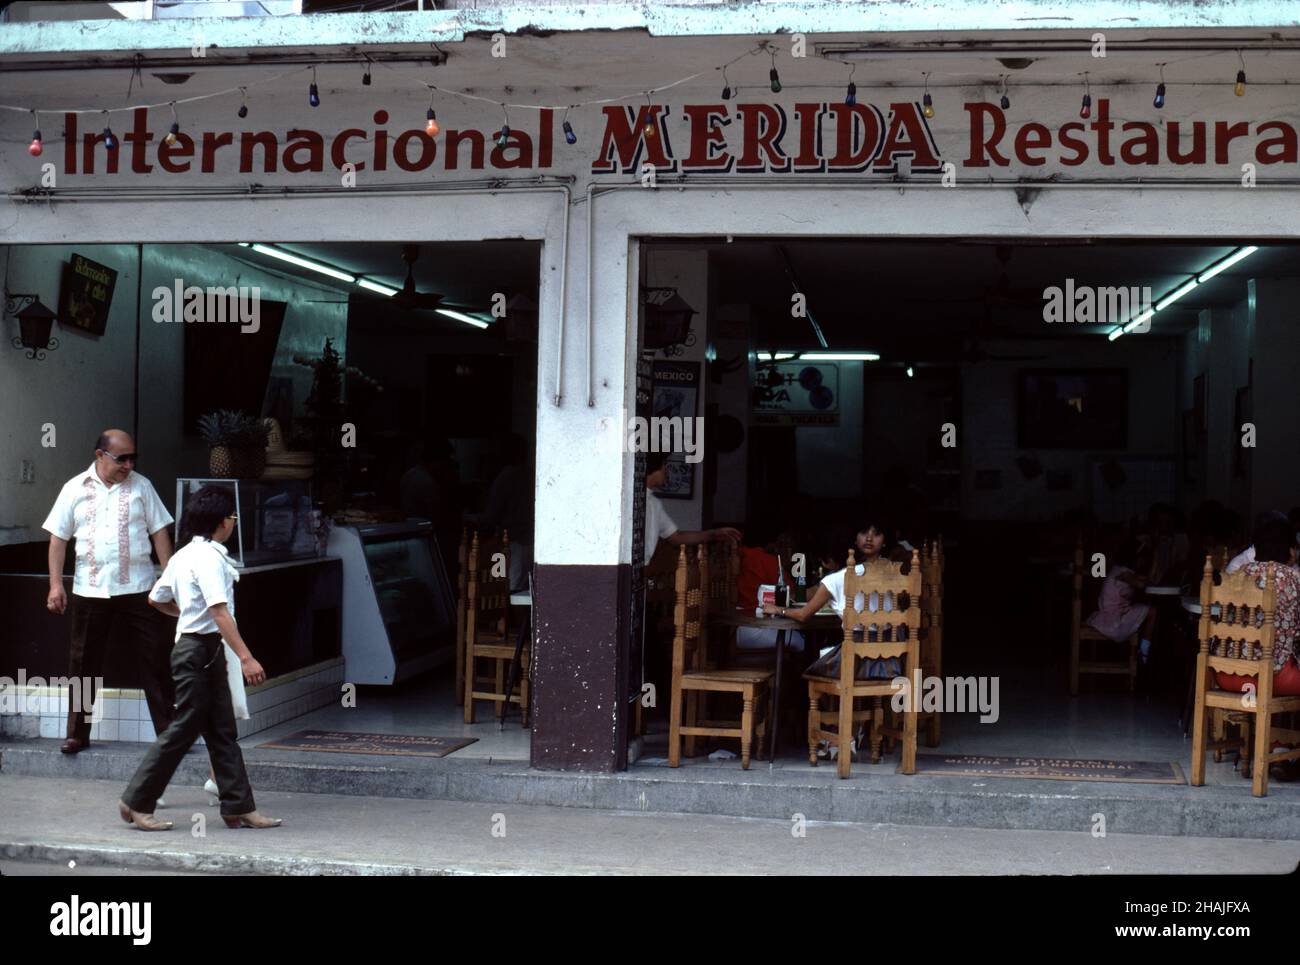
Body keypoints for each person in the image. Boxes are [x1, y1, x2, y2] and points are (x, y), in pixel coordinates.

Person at [118, 485, 280, 831]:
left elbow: (156, 599)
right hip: (197, 650)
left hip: (202, 648)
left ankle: (239, 805)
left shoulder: (183, 556)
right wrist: (247, 657)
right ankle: (136, 801)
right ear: (221, 522)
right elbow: (220, 612)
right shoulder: (208, 559)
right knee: (183, 729)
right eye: (232, 517)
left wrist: (187, 614)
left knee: (223, 730)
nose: (234, 522)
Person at [42, 430, 176, 756]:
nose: (129, 464)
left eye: (133, 458)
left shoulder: (142, 486)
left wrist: (170, 580)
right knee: (83, 662)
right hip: (90, 589)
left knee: (155, 660)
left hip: (139, 588)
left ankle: (170, 736)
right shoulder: (73, 488)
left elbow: (160, 532)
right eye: (122, 458)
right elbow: (58, 539)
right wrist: (56, 584)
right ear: (100, 455)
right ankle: (77, 734)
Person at [1215, 511, 1300, 699]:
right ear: (1289, 549)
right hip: (1270, 678)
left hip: (1226, 674)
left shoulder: (1238, 574)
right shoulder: (1292, 578)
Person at [643, 451, 740, 565]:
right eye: (664, 465)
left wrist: (713, 534)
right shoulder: (631, 500)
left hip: (643, 569)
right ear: (655, 468)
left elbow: (677, 537)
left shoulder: (654, 504)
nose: (666, 471)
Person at [468, 432, 534, 593]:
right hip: (528, 541)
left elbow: (491, 515)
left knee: (505, 591)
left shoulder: (507, 476)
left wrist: (470, 518)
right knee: (522, 589)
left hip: (510, 543)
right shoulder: (532, 473)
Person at [1086, 538, 1157, 664]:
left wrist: (1154, 563)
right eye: (1142, 559)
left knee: (1146, 610)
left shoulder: (1125, 571)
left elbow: (1147, 580)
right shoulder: (1122, 572)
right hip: (1113, 617)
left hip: (1118, 612)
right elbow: (1140, 584)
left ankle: (1143, 650)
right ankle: (1144, 651)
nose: (1143, 563)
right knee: (1151, 611)